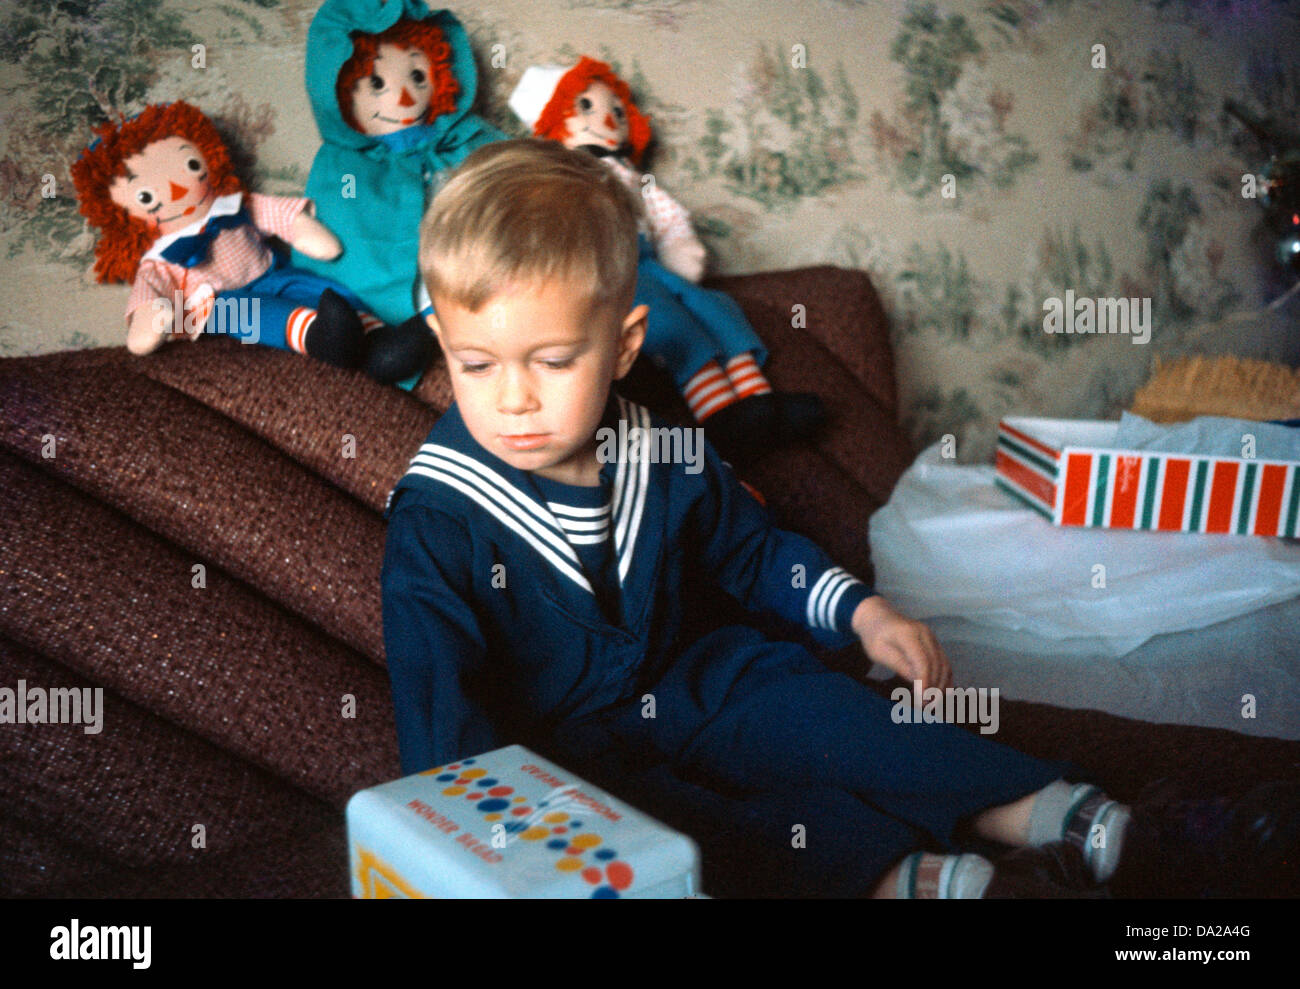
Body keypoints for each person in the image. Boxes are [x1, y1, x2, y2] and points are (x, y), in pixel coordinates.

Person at [381, 138, 1291, 898]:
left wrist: (864, 612)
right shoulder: (438, 518)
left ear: (622, 348)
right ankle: (950, 882)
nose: (514, 401)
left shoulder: (658, 445)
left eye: (549, 360)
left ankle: (1096, 824)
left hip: (705, 682)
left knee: (840, 718)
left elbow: (750, 552)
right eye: (477, 364)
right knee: (704, 835)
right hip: (566, 761)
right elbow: (443, 730)